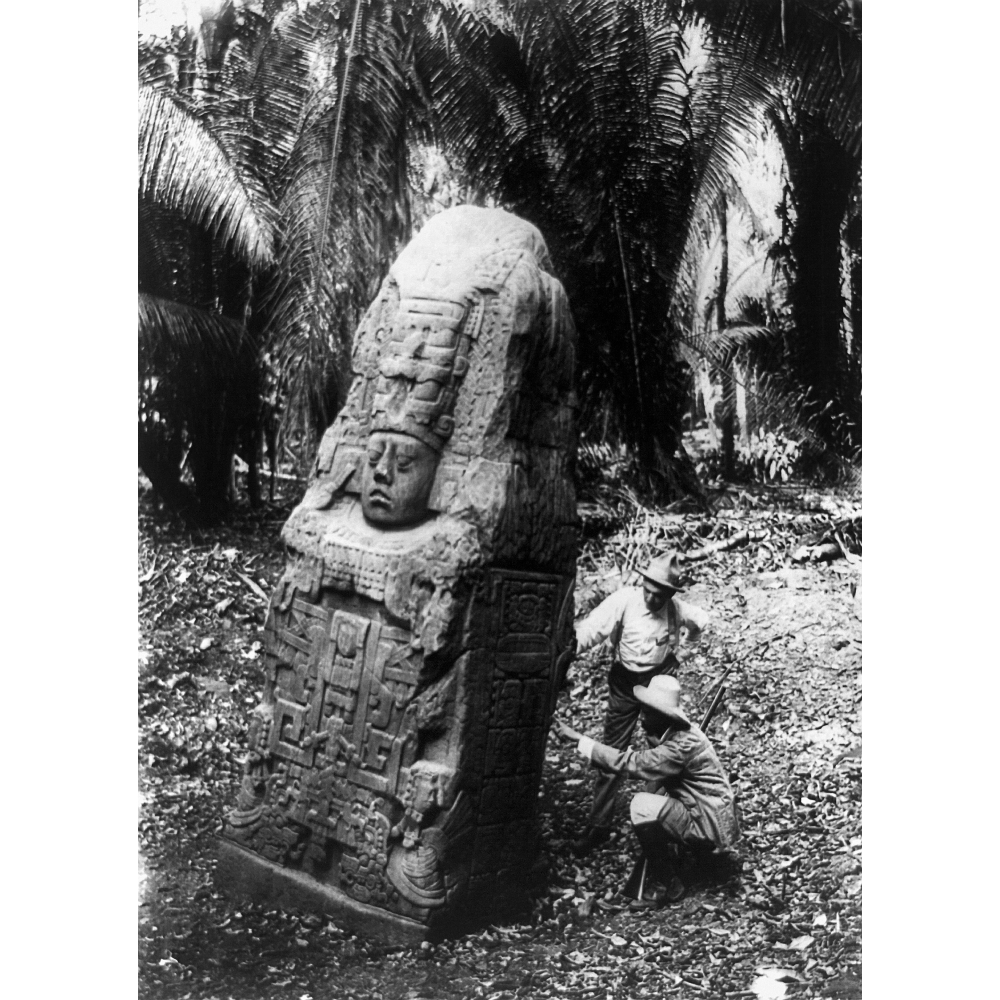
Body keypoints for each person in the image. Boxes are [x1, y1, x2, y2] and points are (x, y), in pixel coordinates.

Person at [554, 674, 739, 909]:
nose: (641, 718)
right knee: (654, 797)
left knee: (641, 806)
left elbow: (629, 763)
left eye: (648, 712)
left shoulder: (677, 747)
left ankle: (667, 883)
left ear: (662, 717)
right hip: (714, 817)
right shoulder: (679, 736)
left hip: (711, 826)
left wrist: (579, 740)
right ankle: (690, 858)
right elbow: (655, 779)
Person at [569, 552, 709, 855]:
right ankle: (598, 826)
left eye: (659, 595)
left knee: (662, 754)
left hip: (657, 684)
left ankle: (657, 819)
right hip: (624, 683)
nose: (651, 598)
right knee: (613, 751)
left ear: (670, 594)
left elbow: (700, 623)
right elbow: (591, 630)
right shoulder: (625, 600)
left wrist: (682, 653)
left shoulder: (678, 610)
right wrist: (567, 652)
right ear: (642, 582)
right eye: (648, 589)